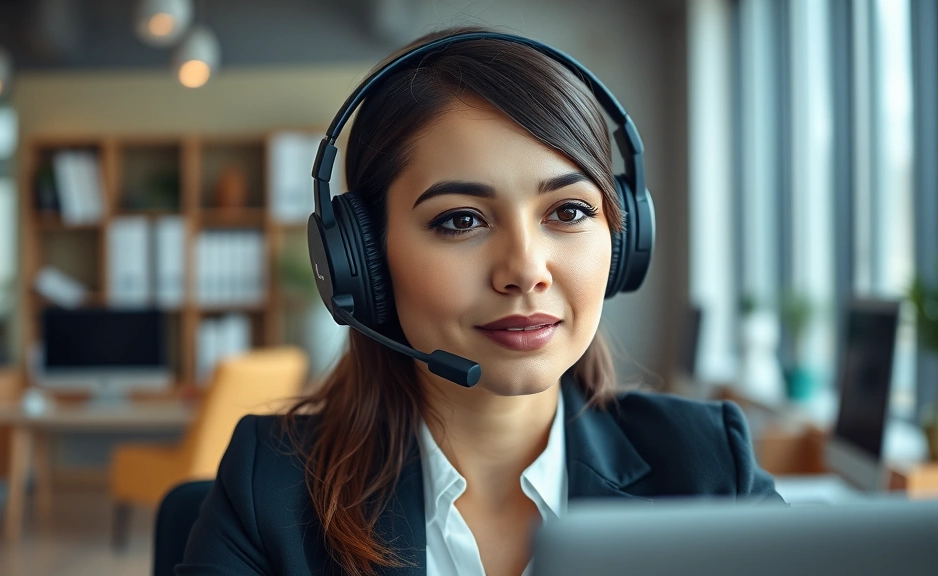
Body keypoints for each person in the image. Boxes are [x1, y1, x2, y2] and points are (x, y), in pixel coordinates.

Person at [177, 26, 783, 576]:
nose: (524, 271)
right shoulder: (272, 485)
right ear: (362, 261)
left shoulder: (708, 467)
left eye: (568, 211)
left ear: (623, 240)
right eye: (461, 220)